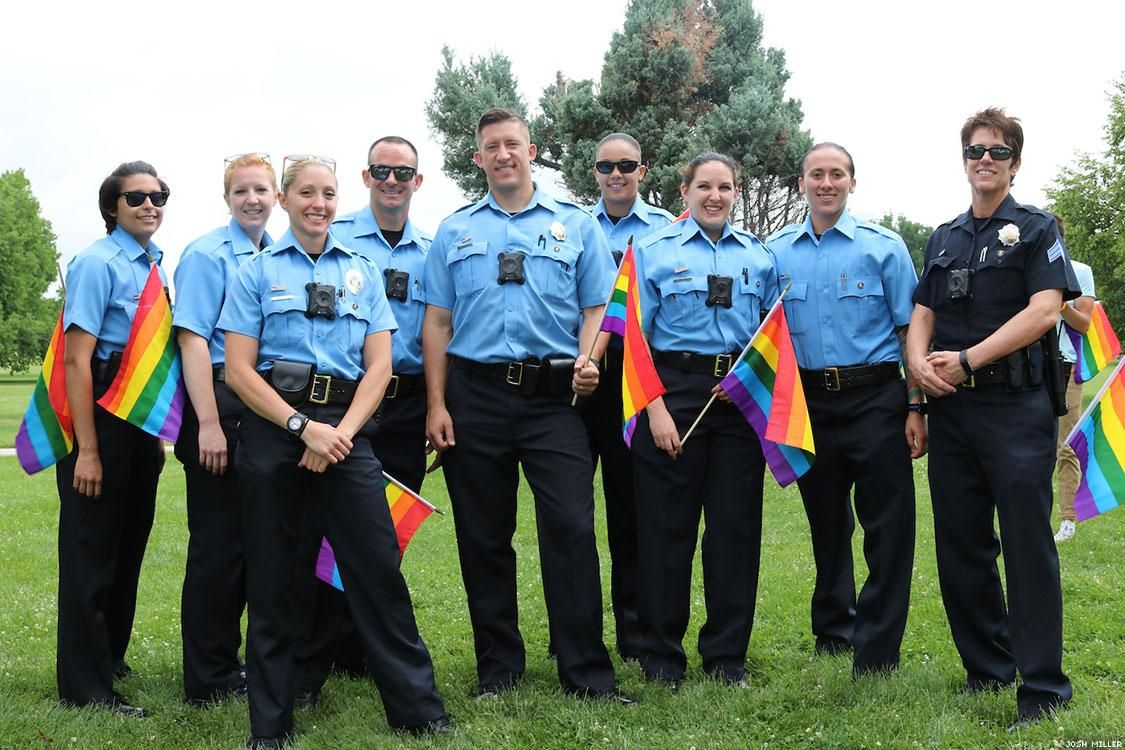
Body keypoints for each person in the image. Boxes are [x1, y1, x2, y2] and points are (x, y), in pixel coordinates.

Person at [218, 155, 448, 746]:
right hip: (276, 434)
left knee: (377, 573)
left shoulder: (364, 273)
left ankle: (419, 712)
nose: (318, 204)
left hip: (348, 435)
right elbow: (241, 372)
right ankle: (270, 727)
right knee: (273, 580)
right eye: (306, 194)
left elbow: (380, 365)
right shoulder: (254, 272)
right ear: (286, 201)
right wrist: (302, 428)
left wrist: (338, 432)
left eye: (327, 193)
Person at [422, 108, 627, 701]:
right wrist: (437, 403)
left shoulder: (575, 225)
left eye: (513, 144)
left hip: (554, 401)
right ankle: (499, 672)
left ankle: (587, 674)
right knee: (483, 537)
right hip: (474, 397)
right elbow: (436, 321)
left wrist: (590, 359)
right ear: (479, 158)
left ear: (531, 151)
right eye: (492, 147)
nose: (503, 154)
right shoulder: (454, 231)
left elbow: (598, 306)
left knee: (570, 528)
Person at [907, 108, 1077, 727]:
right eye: (976, 150)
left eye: (998, 152)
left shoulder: (1036, 230)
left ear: (1015, 163)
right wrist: (918, 383)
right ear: (964, 159)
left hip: (1014, 409)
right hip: (951, 413)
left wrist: (968, 360)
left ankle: (1042, 687)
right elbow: (922, 313)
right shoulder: (943, 235)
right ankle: (987, 668)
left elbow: (1045, 312)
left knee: (1028, 546)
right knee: (962, 545)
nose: (985, 159)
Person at [766, 143, 922, 675]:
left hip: (877, 398)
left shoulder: (884, 247)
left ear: (853, 183)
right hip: (809, 403)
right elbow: (767, 335)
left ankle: (878, 647)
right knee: (826, 524)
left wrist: (915, 405)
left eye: (837, 174)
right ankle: (834, 630)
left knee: (888, 526)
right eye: (816, 174)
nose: (826, 183)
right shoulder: (776, 252)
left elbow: (910, 332)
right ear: (802, 183)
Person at [292, 136, 431, 701]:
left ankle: (365, 649)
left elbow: (439, 328)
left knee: (382, 536)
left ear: (417, 181)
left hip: (409, 404)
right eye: (381, 169)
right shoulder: (335, 235)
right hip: (343, 405)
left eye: (403, 171)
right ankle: (320, 652)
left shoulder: (436, 247)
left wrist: (439, 406)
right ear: (367, 175)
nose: (392, 179)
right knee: (326, 533)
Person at [630, 152, 775, 689]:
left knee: (734, 533)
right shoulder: (650, 252)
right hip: (672, 395)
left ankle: (726, 657)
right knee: (667, 532)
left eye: (726, 187)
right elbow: (635, 342)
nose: (715, 196)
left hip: (736, 399)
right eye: (704, 186)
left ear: (737, 193)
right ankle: (661, 655)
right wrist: (657, 409)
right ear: (684, 190)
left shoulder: (758, 259)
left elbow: (768, 334)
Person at [56, 161, 171, 717]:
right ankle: (85, 687)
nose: (150, 205)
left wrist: (151, 438)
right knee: (91, 551)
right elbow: (78, 360)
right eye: (137, 197)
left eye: (159, 196)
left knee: (128, 546)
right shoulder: (96, 264)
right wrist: (89, 450)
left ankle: (109, 658)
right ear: (112, 208)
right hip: (98, 409)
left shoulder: (156, 265)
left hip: (138, 416)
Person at [173, 152, 276, 706]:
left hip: (258, 406)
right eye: (241, 192)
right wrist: (208, 424)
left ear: (276, 196)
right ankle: (207, 677)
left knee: (251, 543)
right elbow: (191, 340)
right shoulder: (207, 255)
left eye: (261, 189)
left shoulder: (273, 253)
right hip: (218, 405)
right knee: (217, 548)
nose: (252, 199)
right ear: (227, 198)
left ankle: (232, 661)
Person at [584, 132, 675, 661]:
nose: (616, 174)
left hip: (638, 378)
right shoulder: (574, 227)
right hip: (584, 376)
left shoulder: (666, 229)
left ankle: (636, 630)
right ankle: (574, 627)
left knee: (631, 509)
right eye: (606, 165)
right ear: (594, 171)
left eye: (626, 165)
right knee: (570, 513)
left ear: (642, 170)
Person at [1050, 214, 1096, 543]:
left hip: (1066, 366)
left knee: (1064, 445)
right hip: (1028, 365)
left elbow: (1084, 323)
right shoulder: (1027, 272)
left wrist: (1062, 303)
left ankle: (1067, 518)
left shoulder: (1079, 271)